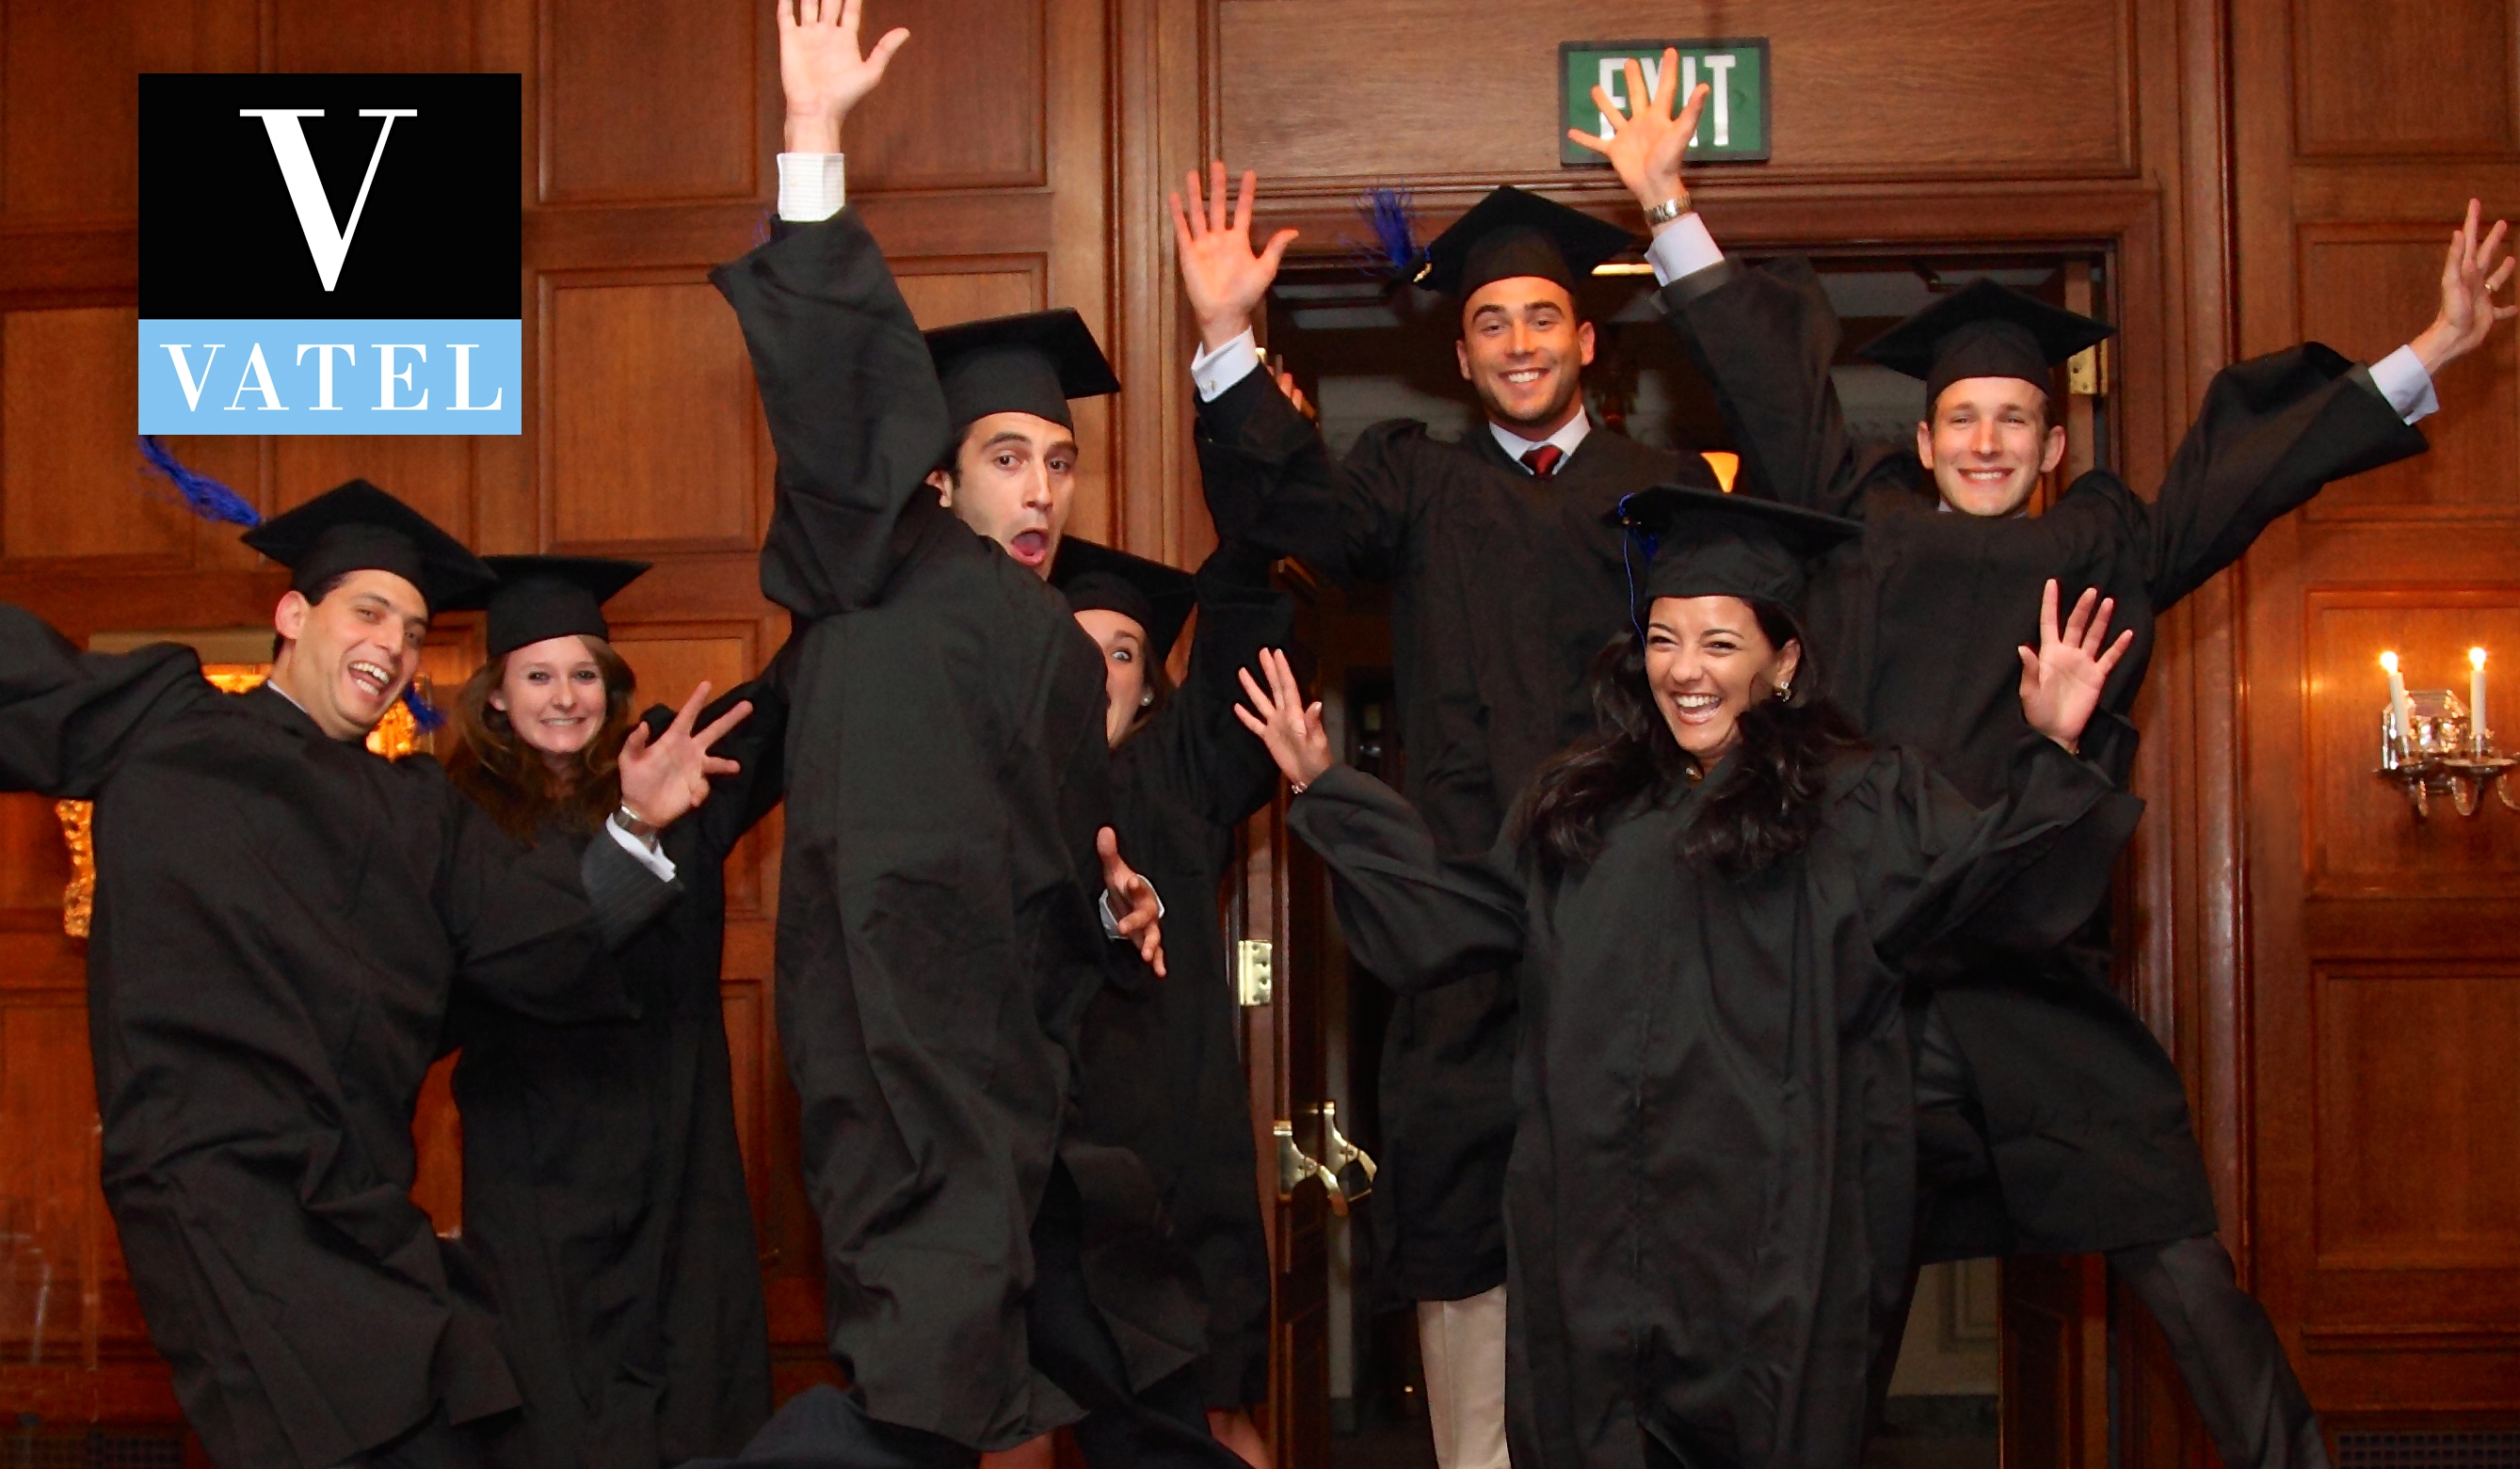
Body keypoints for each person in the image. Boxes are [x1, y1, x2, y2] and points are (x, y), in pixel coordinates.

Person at [1569, 55, 2520, 1469]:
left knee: (2174, 1255)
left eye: (2014, 419)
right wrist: (1664, 205)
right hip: (1866, 986)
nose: (1987, 440)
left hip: (2025, 976)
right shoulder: (1858, 534)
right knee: (1830, 1305)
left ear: (2052, 440)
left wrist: (2428, 350)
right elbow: (1776, 393)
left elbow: (2240, 480)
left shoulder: (2105, 548)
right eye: (1962, 418)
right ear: (1928, 434)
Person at [1234, 486, 2143, 1469]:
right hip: (1588, 1244)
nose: (1683, 671)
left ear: (1783, 660)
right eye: (1663, 640)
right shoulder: (1579, 804)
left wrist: (2053, 748)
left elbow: (1990, 896)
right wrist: (1326, 791)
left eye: (1719, 643)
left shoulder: (1864, 804)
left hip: (1776, 1250)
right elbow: (1450, 922)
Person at [694, 3, 1237, 1463]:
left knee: (1078, 1364)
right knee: (923, 1396)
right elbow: (834, 397)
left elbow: (1055, 860)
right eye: (1009, 457)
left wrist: (1109, 901)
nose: (1044, 490)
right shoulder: (878, 555)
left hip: (1007, 1074)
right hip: (891, 1045)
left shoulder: (1061, 663)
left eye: (1060, 462)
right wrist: (815, 144)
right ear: (934, 478)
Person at [0, 479, 732, 1469]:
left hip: (356, 1202)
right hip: (214, 1189)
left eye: (414, 627)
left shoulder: (419, 811)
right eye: (370, 611)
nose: (392, 643)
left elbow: (542, 935)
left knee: (466, 1411)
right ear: (294, 616)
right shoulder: (164, 722)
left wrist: (637, 823)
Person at [1173, 166, 1723, 1469]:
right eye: (1489, 323)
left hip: (1635, 918)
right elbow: (1285, 514)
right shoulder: (1409, 480)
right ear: (1462, 352)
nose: (1518, 343)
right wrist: (1224, 341)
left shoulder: (1664, 492)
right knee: (1464, 1226)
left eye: (1541, 318)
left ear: (1587, 340)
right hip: (1460, 928)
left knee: (1642, 1228)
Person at [441, 555, 786, 1469]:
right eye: (539, 675)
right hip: (537, 1181)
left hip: (678, 1162)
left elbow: (785, 700)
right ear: (498, 697)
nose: (565, 697)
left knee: (694, 1413)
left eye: (585, 673)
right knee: (561, 1424)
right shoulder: (450, 824)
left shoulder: (682, 781)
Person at [1059, 536, 1292, 1469]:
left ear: (1148, 684)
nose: (1099, 672)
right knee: (1031, 1423)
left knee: (1215, 1415)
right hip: (1049, 1171)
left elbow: (1239, 657)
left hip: (1184, 1171)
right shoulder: (994, 792)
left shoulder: (1176, 776)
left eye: (1122, 652)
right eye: (1076, 650)